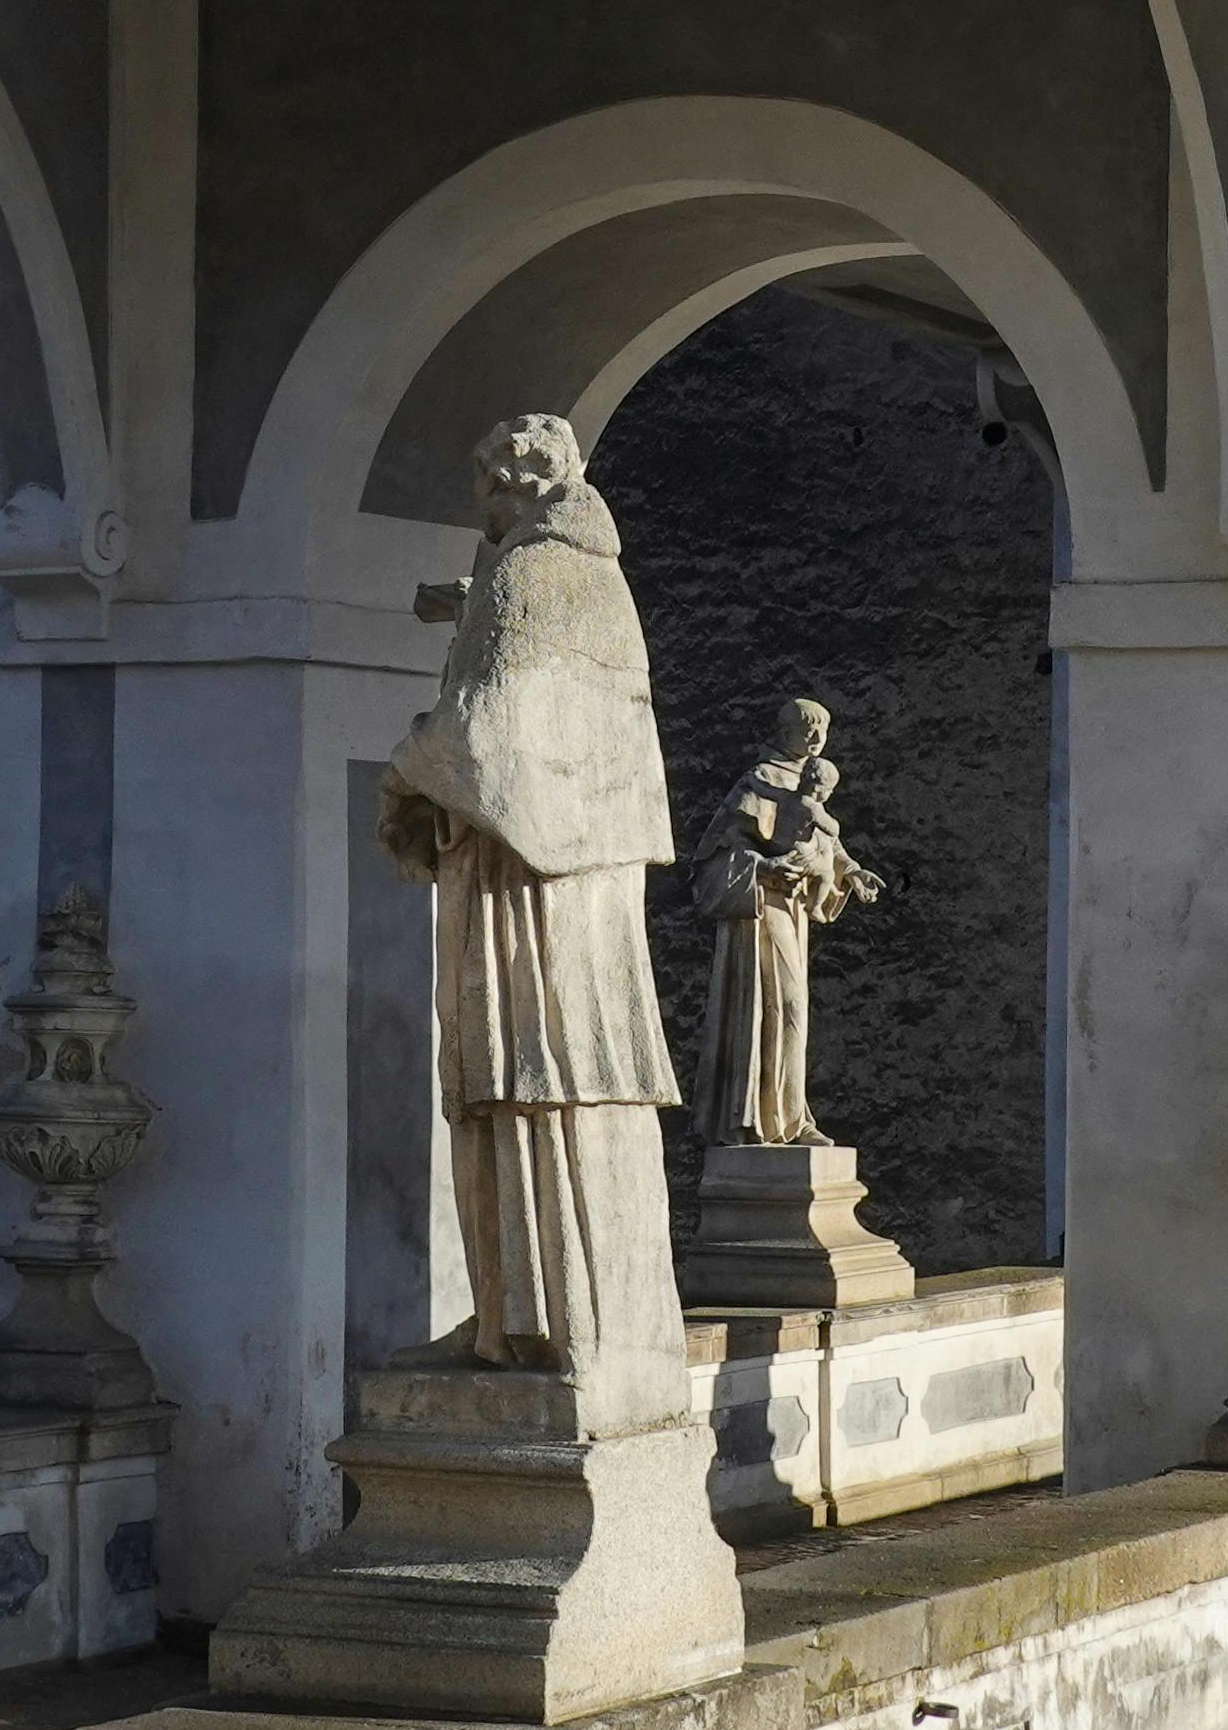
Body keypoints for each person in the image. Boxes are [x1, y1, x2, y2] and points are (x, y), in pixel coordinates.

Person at [376, 413, 688, 1425]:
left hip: (522, 893)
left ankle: (529, 1328)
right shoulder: (594, 582)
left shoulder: (528, 579)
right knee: (572, 1086)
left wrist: (405, 764)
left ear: (508, 489)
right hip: (586, 899)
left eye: (485, 497)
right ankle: (564, 1321)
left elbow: (487, 733)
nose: (482, 517)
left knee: (518, 1084)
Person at [689, 699, 883, 1152]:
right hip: (759, 909)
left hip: (793, 911)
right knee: (775, 1005)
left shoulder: (814, 786)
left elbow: (828, 846)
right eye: (805, 729)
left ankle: (790, 1120)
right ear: (783, 732)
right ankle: (758, 1121)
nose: (815, 739)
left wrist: (852, 872)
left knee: (792, 1009)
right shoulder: (757, 783)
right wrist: (763, 868)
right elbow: (716, 858)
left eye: (822, 730)